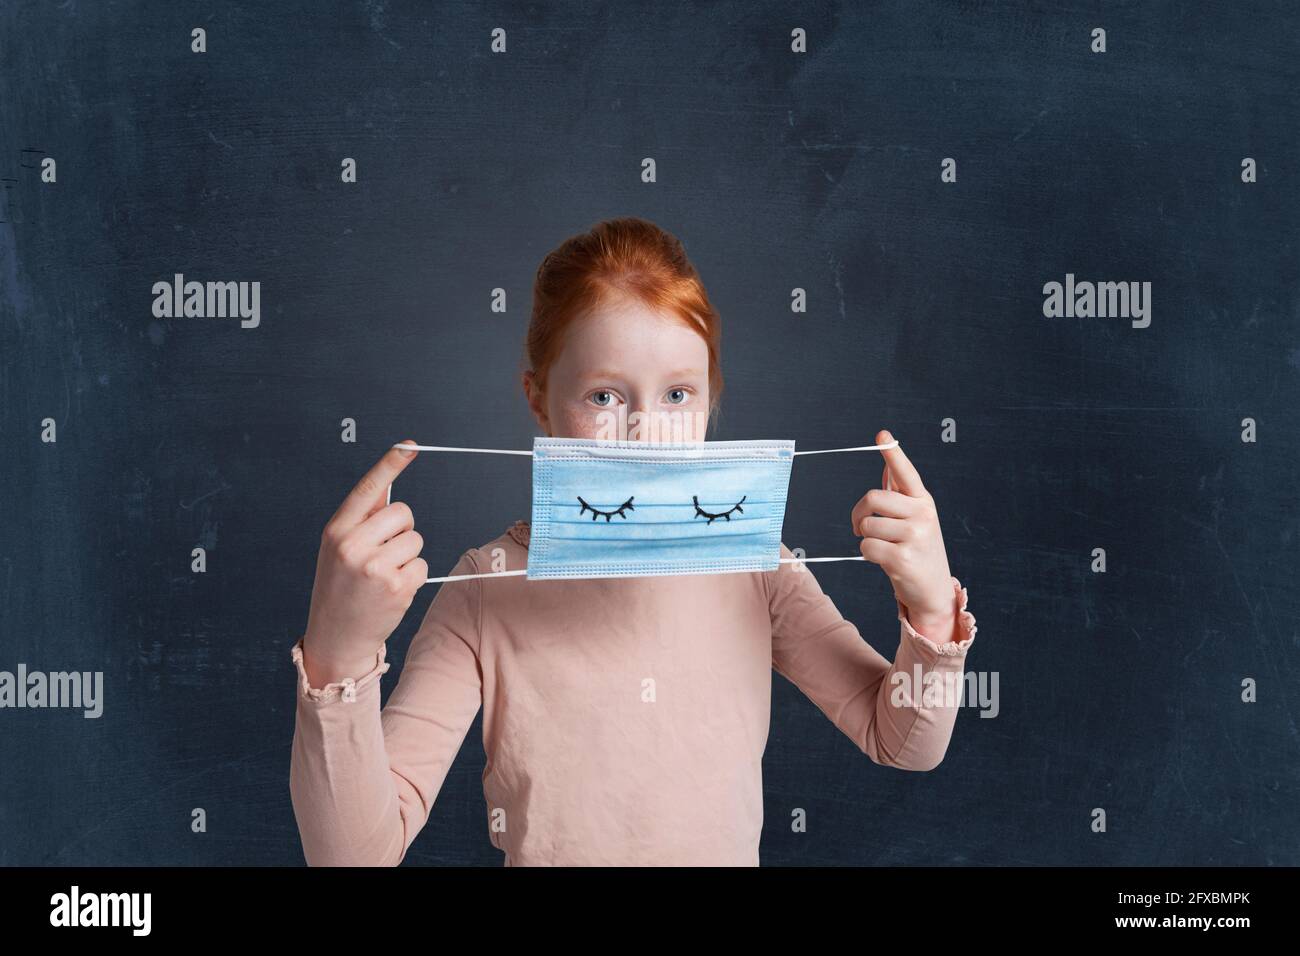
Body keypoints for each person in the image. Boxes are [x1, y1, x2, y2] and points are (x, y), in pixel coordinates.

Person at [288, 216, 978, 866]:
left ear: (710, 397)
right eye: (604, 397)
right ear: (538, 398)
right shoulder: (485, 587)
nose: (647, 434)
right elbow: (356, 853)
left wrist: (929, 614)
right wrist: (336, 653)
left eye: (678, 395)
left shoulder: (759, 572)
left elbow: (903, 743)